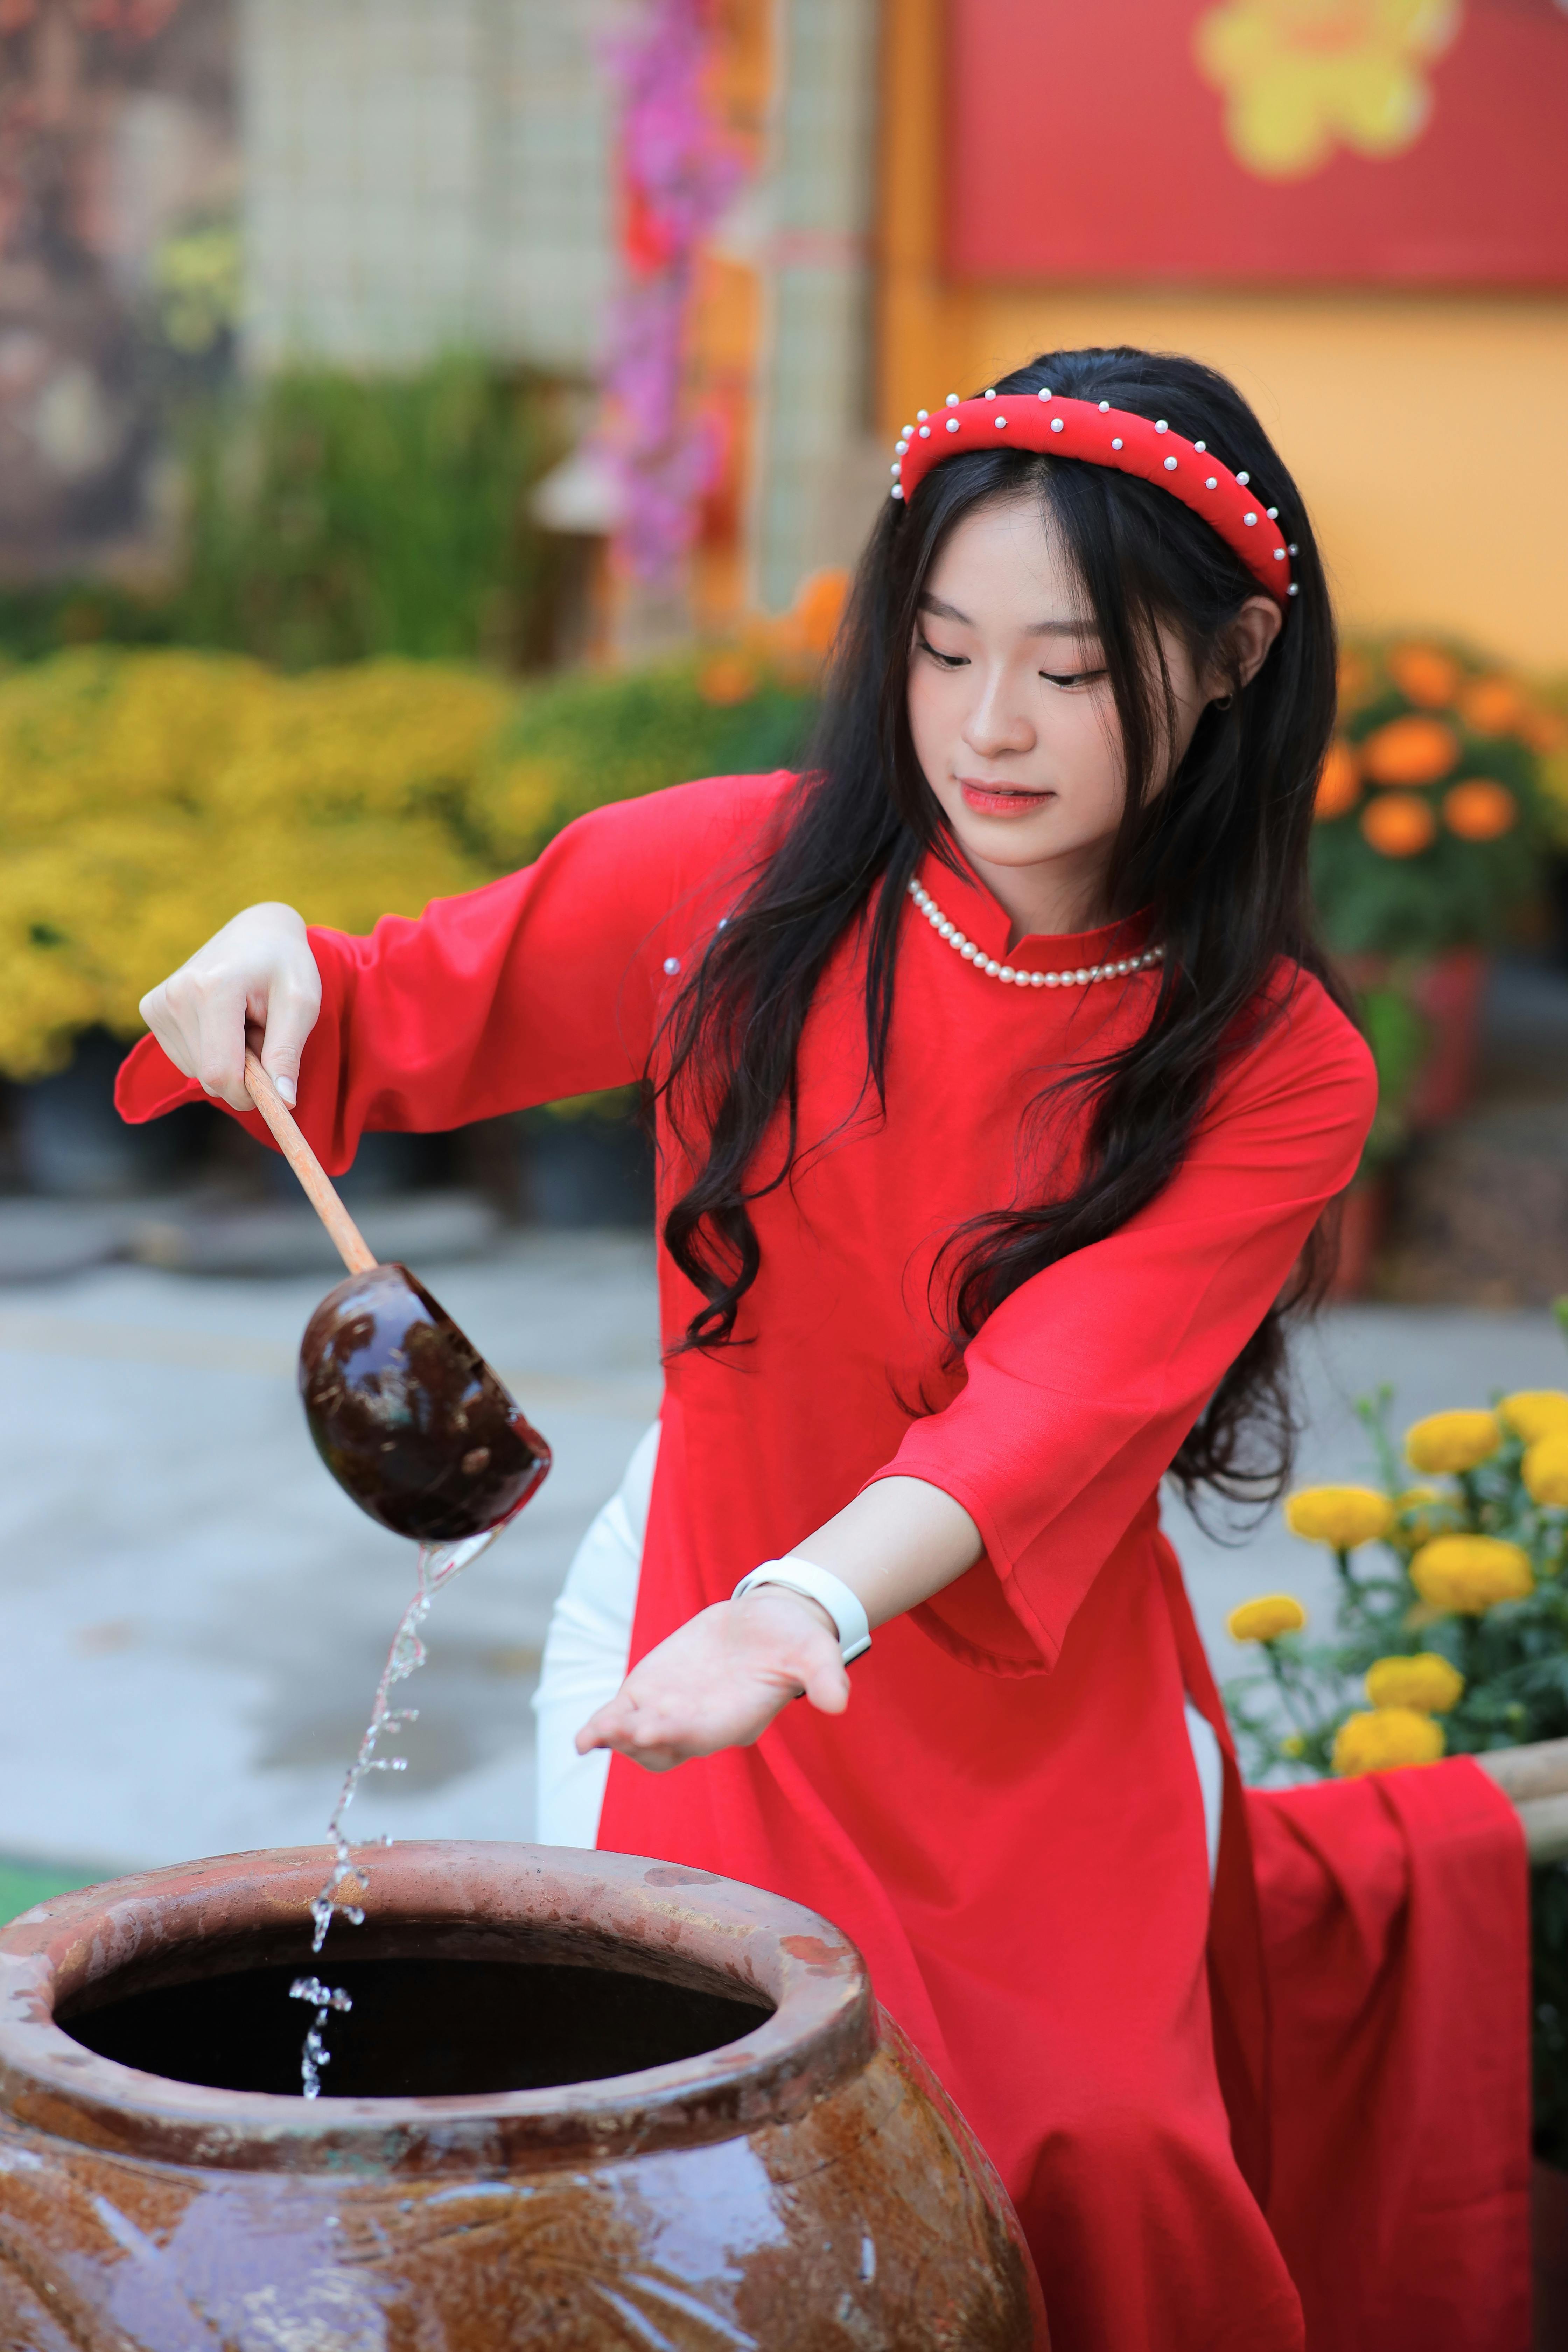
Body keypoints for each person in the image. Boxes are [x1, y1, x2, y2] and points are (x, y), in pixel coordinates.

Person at [124, 347, 1383, 2347]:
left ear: (1230, 655)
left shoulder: (1280, 1063)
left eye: (1070, 670)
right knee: (731, 2187)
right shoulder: (745, 880)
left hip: (1028, 1692)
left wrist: (818, 1602)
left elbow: (1062, 1392)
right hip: (698, 1627)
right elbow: (385, 1007)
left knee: (1106, 2158)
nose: (992, 726)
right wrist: (273, 961)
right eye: (945, 647)